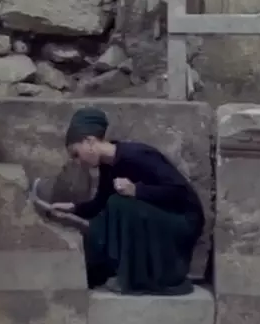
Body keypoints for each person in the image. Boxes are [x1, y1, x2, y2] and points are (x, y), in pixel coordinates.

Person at [50, 107, 204, 296]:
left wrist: (137, 190)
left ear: (90, 142)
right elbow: (100, 203)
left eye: (76, 154)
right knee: (112, 207)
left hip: (183, 221)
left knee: (120, 204)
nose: (77, 162)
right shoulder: (108, 166)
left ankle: (138, 279)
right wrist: (73, 209)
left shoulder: (137, 155)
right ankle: (103, 270)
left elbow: (179, 192)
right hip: (156, 220)